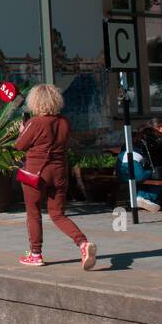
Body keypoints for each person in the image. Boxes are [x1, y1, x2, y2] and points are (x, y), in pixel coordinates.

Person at [14, 83, 97, 270]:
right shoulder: (64, 122)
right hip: (59, 172)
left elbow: (19, 145)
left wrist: (22, 130)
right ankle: (83, 243)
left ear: (35, 102)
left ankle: (35, 254)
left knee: (33, 213)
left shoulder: (34, 122)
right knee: (58, 214)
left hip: (36, 172)